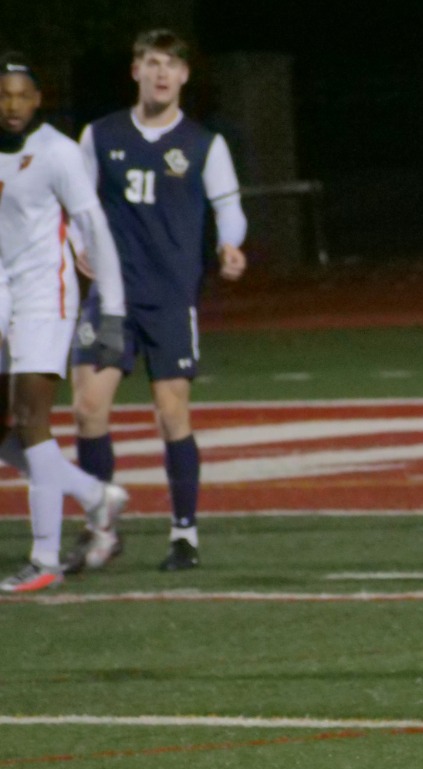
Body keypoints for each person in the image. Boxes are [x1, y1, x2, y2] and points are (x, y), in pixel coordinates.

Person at [68, 28, 249, 574]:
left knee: (172, 415)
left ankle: (184, 534)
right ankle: (101, 529)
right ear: (136, 70)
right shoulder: (99, 135)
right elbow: (76, 202)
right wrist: (81, 247)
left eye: (171, 64)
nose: (162, 73)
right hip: (112, 298)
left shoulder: (202, 144)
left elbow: (229, 205)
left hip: (171, 299)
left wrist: (231, 243)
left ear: (185, 75)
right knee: (87, 409)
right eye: (152, 63)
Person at [0, 55, 130, 594]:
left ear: (38, 99)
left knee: (31, 419)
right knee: (6, 429)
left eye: (22, 94)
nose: (12, 104)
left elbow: (93, 226)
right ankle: (97, 496)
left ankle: (46, 558)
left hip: (44, 298)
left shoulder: (56, 151)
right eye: (4, 95)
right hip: (3, 296)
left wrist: (113, 311)